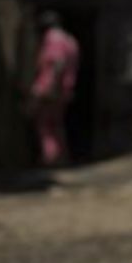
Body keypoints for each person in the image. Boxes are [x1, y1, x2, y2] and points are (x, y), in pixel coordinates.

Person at [30, 11, 80, 167]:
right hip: (64, 88)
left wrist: (51, 87)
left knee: (45, 125)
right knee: (57, 124)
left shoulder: (53, 38)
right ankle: (60, 157)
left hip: (50, 88)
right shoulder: (70, 41)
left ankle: (50, 158)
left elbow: (58, 63)